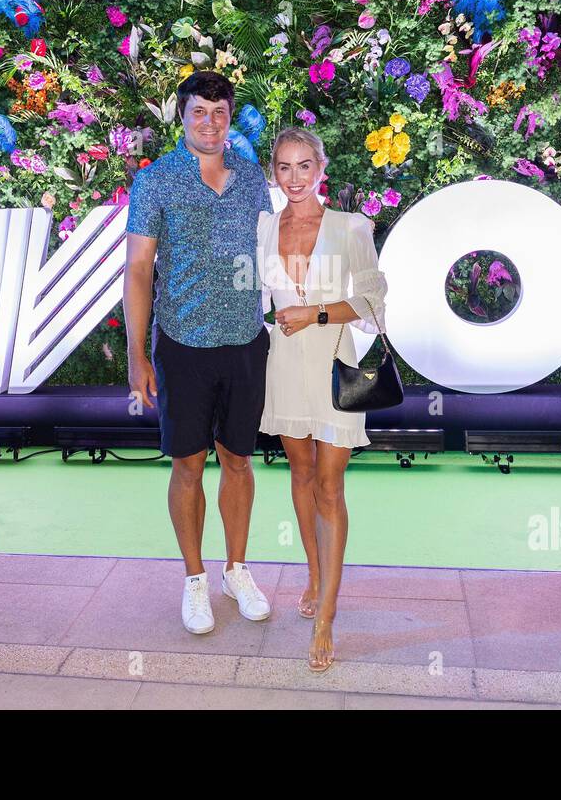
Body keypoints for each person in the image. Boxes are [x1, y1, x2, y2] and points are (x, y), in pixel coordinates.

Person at [123, 70, 274, 635]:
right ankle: (195, 580)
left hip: (245, 342)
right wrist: (138, 355)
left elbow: (273, 253)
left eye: (219, 113)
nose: (209, 123)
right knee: (188, 464)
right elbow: (138, 270)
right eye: (198, 113)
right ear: (181, 116)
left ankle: (237, 569)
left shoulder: (254, 177)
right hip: (182, 345)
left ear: (229, 117)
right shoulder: (156, 181)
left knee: (238, 459)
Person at [257, 127, 389, 672]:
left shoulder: (349, 226)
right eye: (285, 167)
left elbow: (374, 299)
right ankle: (313, 573)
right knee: (301, 476)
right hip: (284, 365)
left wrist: (314, 313)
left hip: (337, 366)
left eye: (304, 166)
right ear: (274, 172)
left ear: (321, 168)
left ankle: (327, 615)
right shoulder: (264, 227)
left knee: (330, 487)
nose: (295, 178)